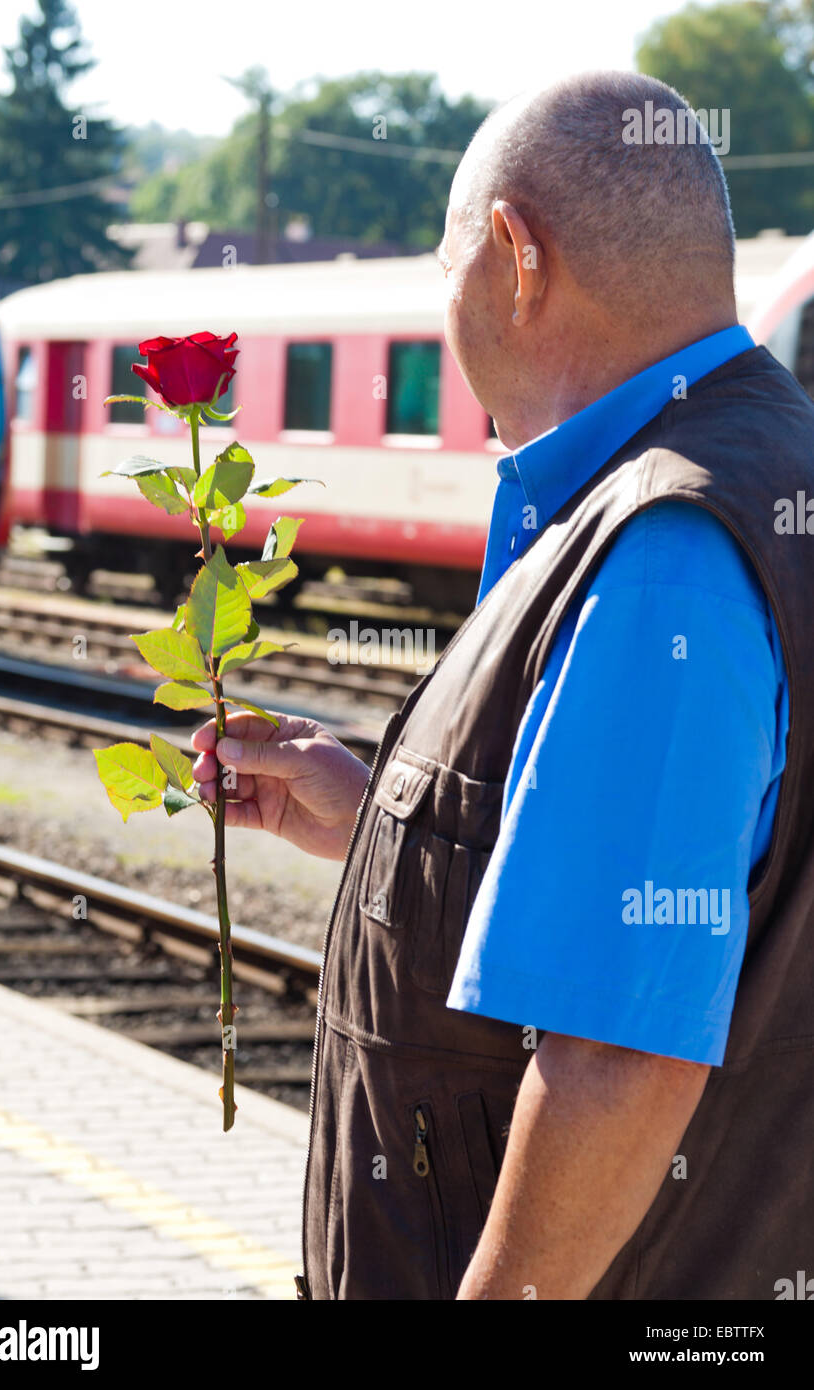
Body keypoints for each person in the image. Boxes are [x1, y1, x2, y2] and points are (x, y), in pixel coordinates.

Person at [193, 71, 814, 1300]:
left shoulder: (663, 558)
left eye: (445, 259)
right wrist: (382, 814)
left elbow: (615, 1059)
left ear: (515, 258)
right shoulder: (753, 471)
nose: (443, 297)